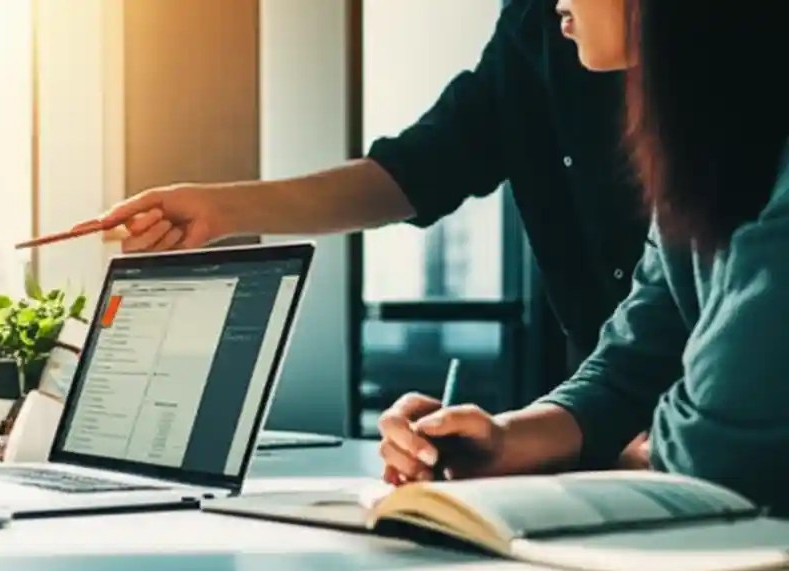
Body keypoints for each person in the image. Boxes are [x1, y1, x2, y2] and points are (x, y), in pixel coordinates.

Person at [375, 0, 789, 510]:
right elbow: (633, 359)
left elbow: (715, 450)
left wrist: (535, 472)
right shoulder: (704, 142)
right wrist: (502, 442)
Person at [99, 0, 648, 376]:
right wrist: (220, 210)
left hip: (705, 401)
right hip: (603, 393)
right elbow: (418, 169)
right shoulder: (535, 28)